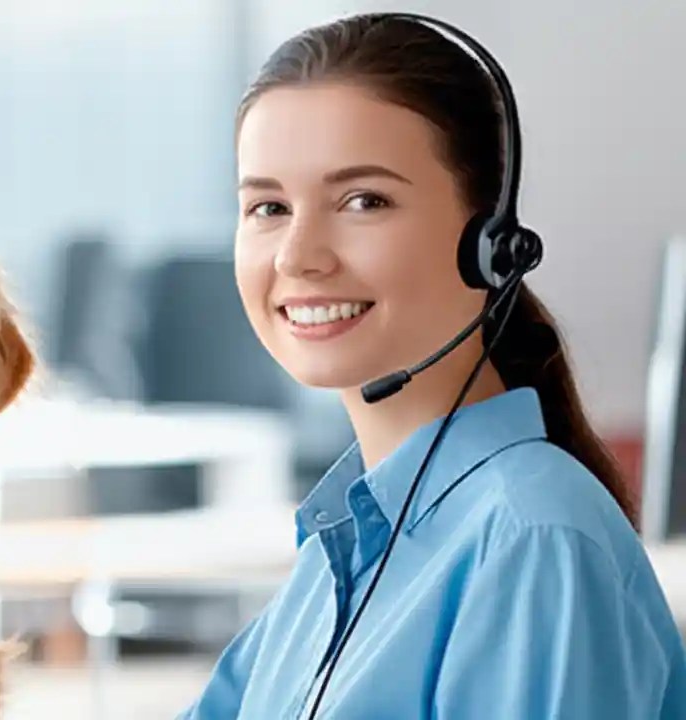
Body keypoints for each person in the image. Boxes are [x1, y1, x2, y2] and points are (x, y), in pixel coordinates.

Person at [179, 12, 686, 719]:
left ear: (491, 243)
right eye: (268, 206)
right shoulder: (344, 550)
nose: (297, 255)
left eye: (363, 200)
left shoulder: (533, 540)